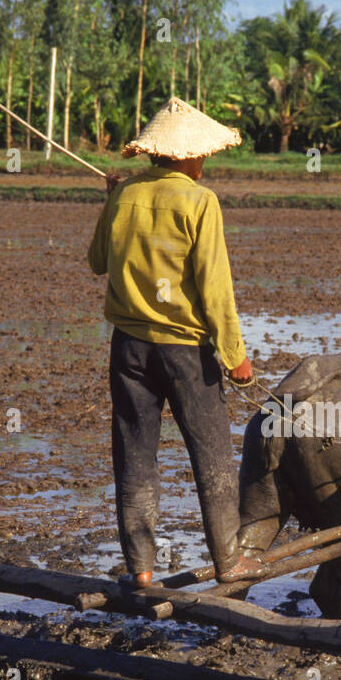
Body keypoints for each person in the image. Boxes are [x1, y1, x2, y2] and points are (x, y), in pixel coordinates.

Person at [87, 97, 266, 589]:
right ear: (187, 156)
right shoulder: (199, 202)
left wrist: (112, 201)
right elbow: (214, 289)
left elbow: (97, 260)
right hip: (185, 351)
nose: (205, 162)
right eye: (202, 154)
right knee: (212, 456)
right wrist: (236, 357)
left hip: (128, 349)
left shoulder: (124, 196)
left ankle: (140, 568)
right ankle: (229, 561)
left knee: (135, 455)